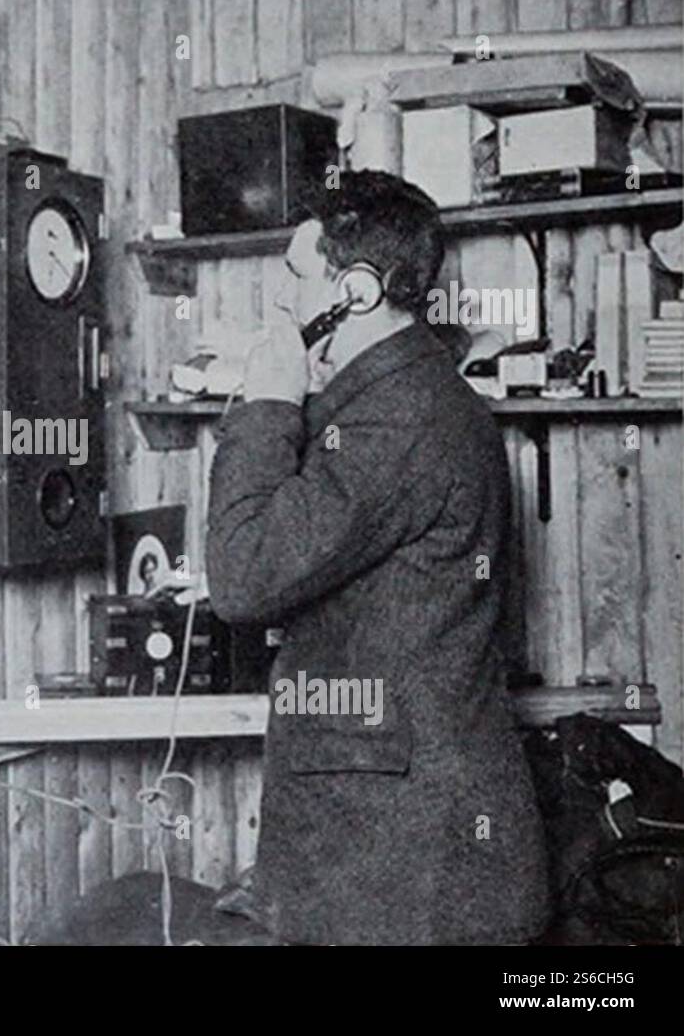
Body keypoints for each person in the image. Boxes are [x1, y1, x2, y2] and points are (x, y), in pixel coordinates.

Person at [205, 170, 549, 945]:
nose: (283, 299)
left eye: (297, 274)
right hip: (399, 847)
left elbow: (242, 576)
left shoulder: (398, 423)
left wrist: (265, 404)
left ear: (355, 291)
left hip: (414, 866)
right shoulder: (409, 402)